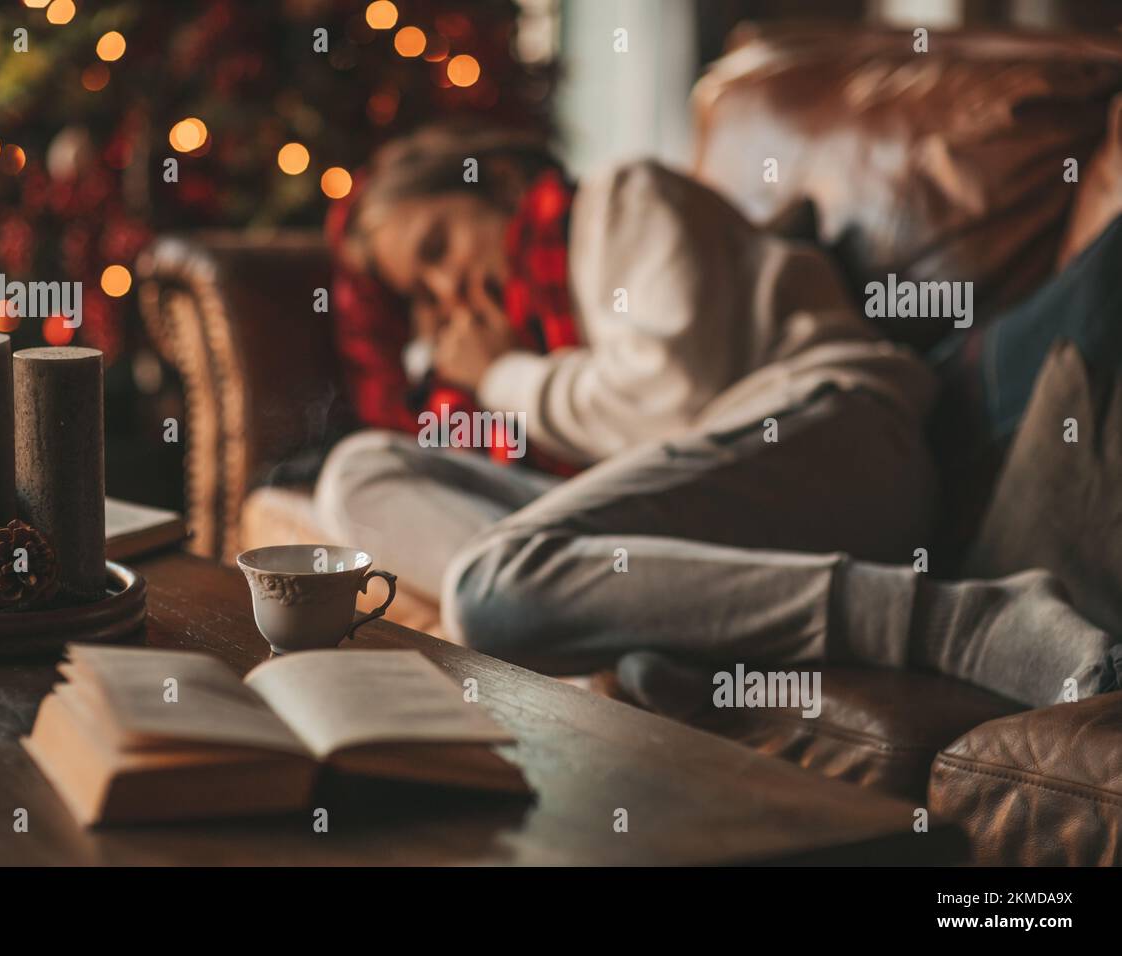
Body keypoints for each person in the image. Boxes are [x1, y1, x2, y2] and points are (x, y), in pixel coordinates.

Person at [315, 126, 1118, 708]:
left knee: (491, 586)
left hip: (834, 432)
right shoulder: (540, 342)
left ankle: (965, 622)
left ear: (488, 182)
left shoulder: (623, 204)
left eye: (436, 249)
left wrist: (502, 374)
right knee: (357, 473)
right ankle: (651, 628)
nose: (449, 292)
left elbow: (671, 403)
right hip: (694, 531)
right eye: (422, 297)